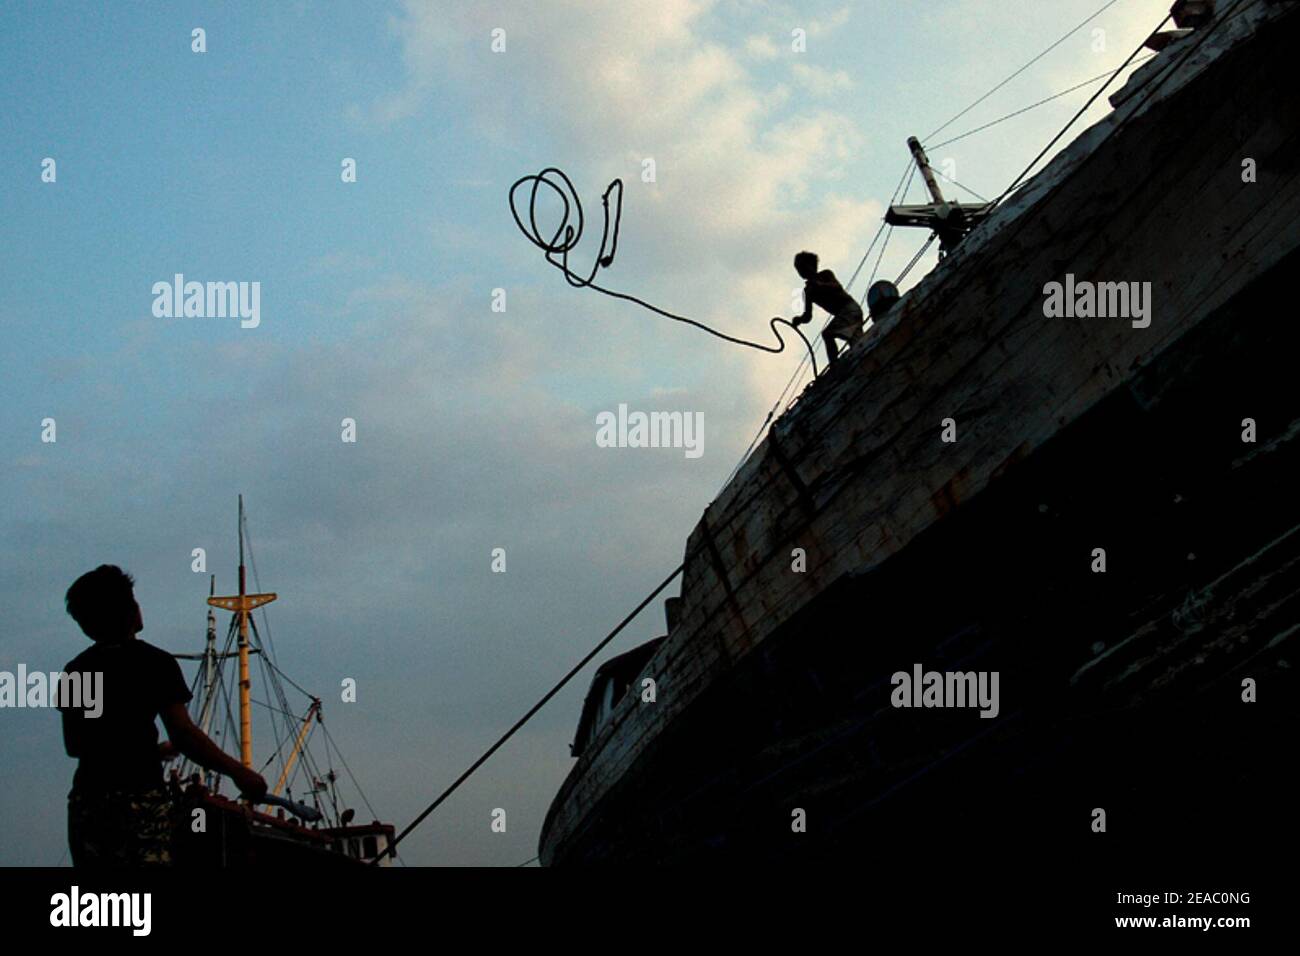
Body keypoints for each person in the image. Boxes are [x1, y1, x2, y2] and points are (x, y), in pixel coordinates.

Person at [59, 564, 267, 867]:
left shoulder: (76, 670)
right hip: (139, 801)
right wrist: (239, 772)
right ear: (131, 612)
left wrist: (148, 751)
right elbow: (183, 733)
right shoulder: (155, 664)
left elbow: (77, 745)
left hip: (88, 805)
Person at [791, 251, 865, 367]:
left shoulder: (825, 275)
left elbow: (837, 286)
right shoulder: (808, 291)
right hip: (843, 314)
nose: (801, 271)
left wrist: (820, 285)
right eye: (799, 269)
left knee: (828, 334)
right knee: (858, 345)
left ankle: (835, 365)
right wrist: (799, 320)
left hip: (850, 309)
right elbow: (808, 316)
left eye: (803, 267)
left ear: (812, 265)